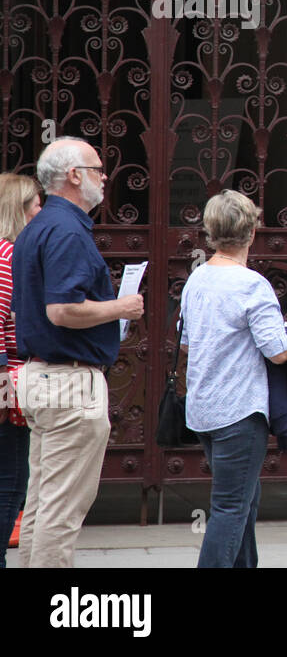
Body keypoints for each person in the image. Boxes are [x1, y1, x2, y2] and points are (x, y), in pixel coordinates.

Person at [12, 138, 143, 568]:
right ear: (73, 175)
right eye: (97, 167)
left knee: (43, 502)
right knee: (61, 511)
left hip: (42, 377)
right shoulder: (66, 230)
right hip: (69, 383)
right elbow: (62, 309)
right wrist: (121, 307)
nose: (105, 176)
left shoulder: (38, 228)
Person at [179, 191, 287, 567]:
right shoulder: (252, 285)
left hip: (203, 411)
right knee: (230, 507)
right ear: (253, 232)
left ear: (210, 232)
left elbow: (185, 344)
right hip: (239, 412)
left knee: (245, 499)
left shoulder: (196, 280)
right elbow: (278, 351)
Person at [0, 174, 39, 567]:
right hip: (8, 385)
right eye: (35, 205)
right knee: (10, 484)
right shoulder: (7, 255)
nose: (41, 212)